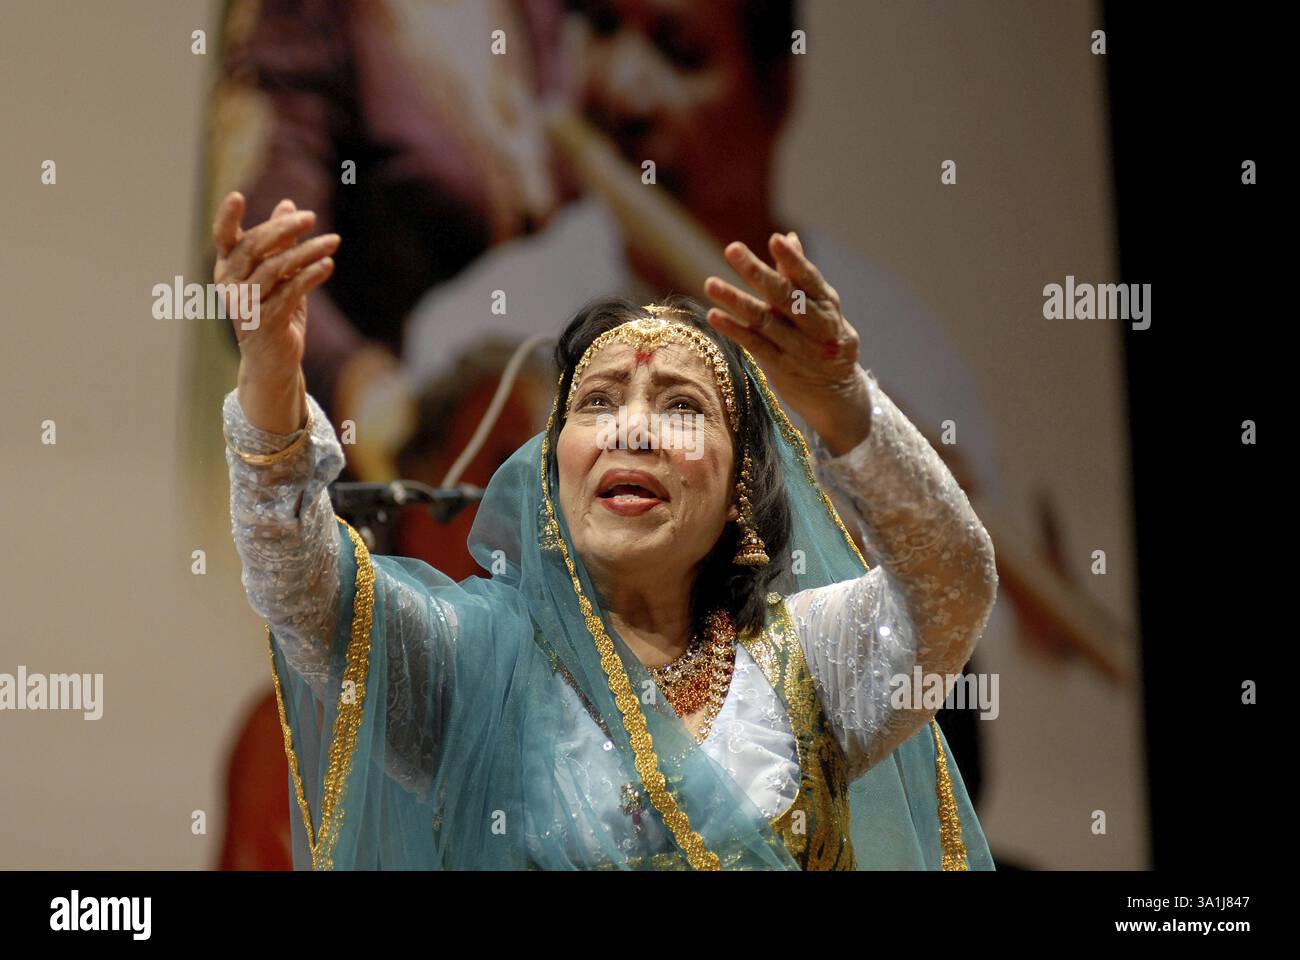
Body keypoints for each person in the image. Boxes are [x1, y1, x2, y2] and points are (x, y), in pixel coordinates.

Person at [216, 192, 998, 869]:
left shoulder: (808, 665)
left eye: (683, 408)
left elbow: (951, 586)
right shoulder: (474, 668)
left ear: (740, 489)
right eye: (597, 402)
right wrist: (271, 376)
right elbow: (304, 591)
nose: (633, 430)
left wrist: (844, 404)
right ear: (553, 474)